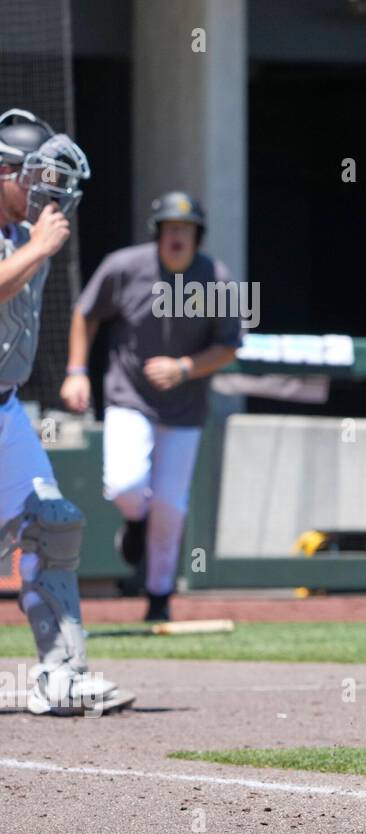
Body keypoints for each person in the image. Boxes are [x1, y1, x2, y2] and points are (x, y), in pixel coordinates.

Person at [0, 108, 133, 715]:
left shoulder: (30, 235)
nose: (48, 191)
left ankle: (60, 674)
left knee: (54, 521)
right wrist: (36, 249)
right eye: (36, 176)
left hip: (6, 408)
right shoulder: (33, 242)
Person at [61, 192, 241, 622]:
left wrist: (183, 367)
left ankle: (159, 597)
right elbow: (85, 313)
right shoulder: (124, 267)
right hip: (129, 395)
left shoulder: (217, 279)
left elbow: (228, 347)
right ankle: (135, 522)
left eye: (185, 229)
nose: (176, 236)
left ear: (198, 236)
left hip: (184, 407)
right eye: (169, 228)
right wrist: (76, 370)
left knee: (171, 505)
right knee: (125, 484)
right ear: (157, 233)